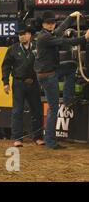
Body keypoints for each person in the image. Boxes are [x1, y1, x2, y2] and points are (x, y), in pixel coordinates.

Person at [34, 11, 89, 150]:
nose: (51, 25)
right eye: (48, 23)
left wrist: (71, 17)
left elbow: (59, 30)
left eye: (52, 22)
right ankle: (50, 142)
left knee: (71, 67)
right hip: (48, 75)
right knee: (53, 108)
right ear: (43, 24)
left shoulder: (48, 34)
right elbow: (64, 40)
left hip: (51, 71)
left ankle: (67, 98)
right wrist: (84, 38)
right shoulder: (44, 37)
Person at [2, 24, 44, 148]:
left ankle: (38, 137)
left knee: (36, 110)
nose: (21, 37)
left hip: (34, 82)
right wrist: (5, 82)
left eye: (23, 34)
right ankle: (18, 138)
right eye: (19, 35)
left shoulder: (37, 47)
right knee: (17, 110)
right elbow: (6, 66)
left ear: (29, 35)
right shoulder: (13, 49)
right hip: (18, 83)